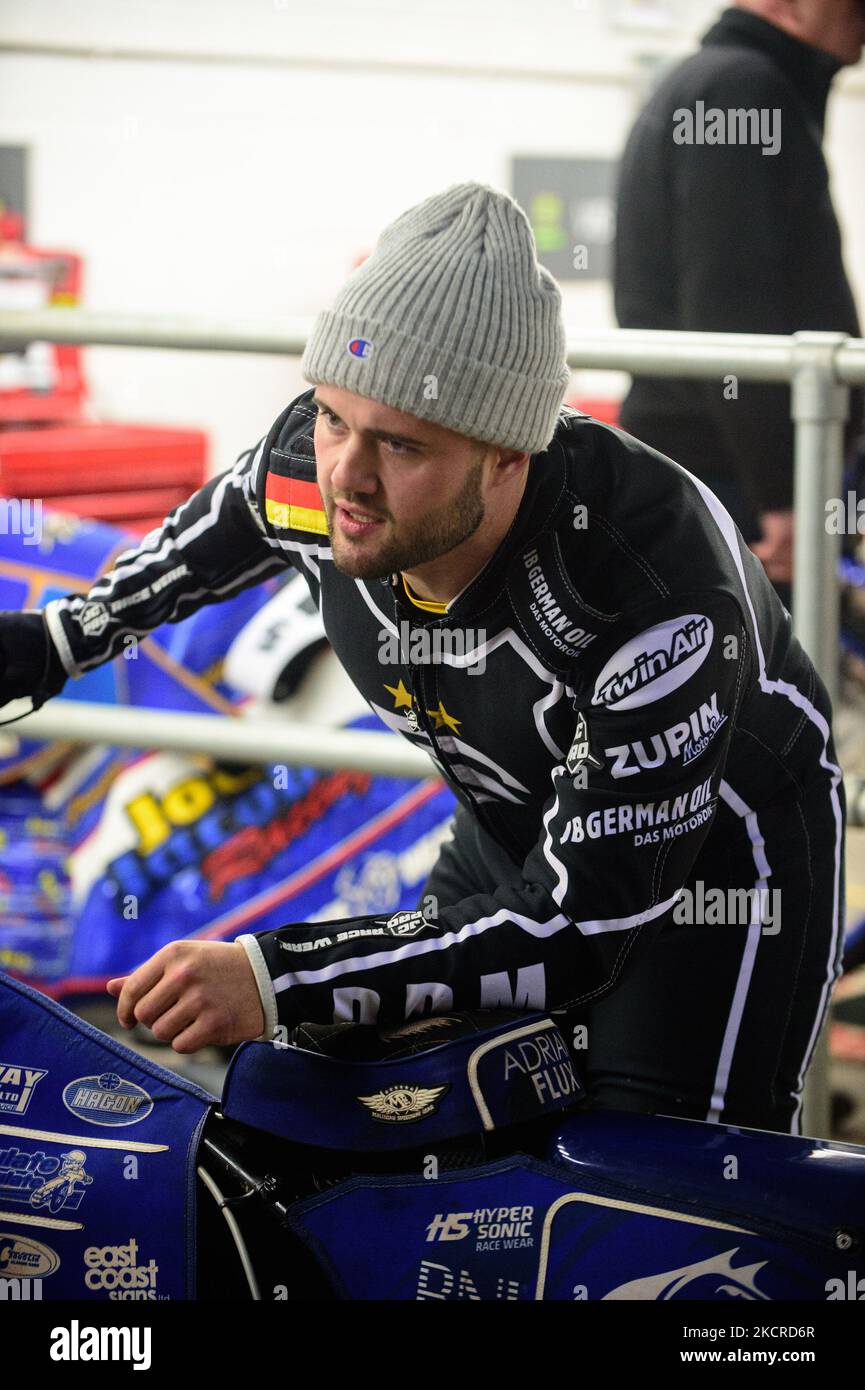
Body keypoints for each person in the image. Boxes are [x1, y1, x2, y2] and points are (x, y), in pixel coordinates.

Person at [0, 182, 845, 1134]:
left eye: (402, 445)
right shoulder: (307, 466)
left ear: (509, 455)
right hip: (513, 819)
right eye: (331, 417)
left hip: (715, 871)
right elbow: (192, 550)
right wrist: (48, 645)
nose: (345, 480)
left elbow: (576, 930)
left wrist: (276, 975)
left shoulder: (647, 588)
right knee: (360, 1112)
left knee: (654, 1184)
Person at [614, 0, 865, 598]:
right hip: (733, 480)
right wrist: (783, 495)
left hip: (716, 467)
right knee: (757, 685)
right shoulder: (740, 88)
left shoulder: (724, 81)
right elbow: (731, 304)